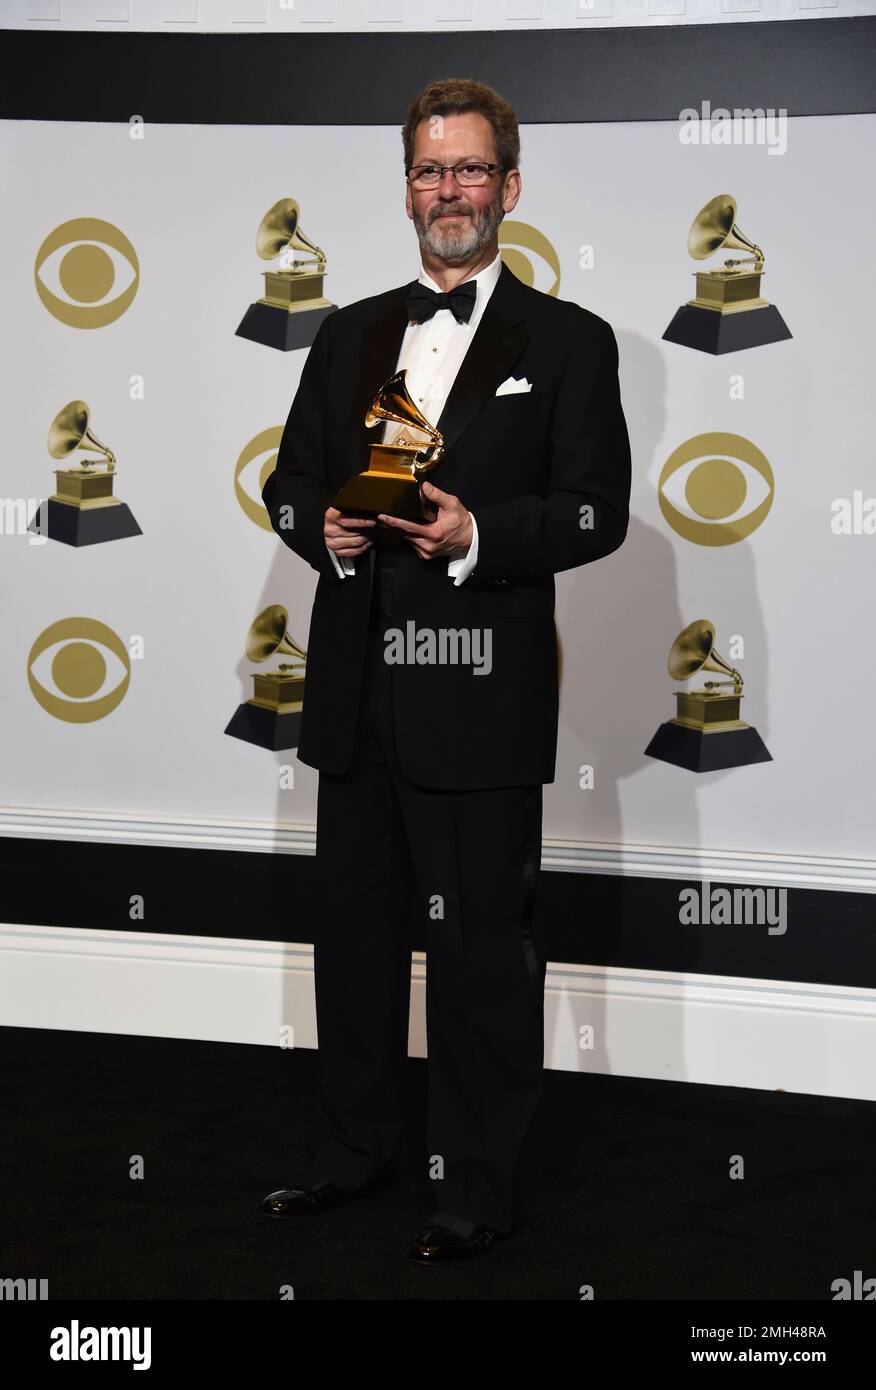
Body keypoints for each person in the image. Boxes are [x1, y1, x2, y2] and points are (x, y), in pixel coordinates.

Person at [260, 77, 631, 1264]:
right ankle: (351, 1156)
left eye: (471, 170)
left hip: (480, 697)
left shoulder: (571, 344)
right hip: (356, 693)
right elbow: (289, 483)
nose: (450, 191)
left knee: (477, 960)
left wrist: (478, 537)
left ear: (509, 188)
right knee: (355, 947)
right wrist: (324, 526)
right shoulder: (345, 331)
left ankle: (474, 1188)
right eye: (430, 170)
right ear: (407, 187)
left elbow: (596, 513)